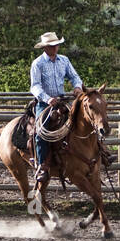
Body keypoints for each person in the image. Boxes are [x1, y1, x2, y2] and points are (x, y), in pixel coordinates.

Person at [29, 31, 83, 184]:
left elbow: (74, 76)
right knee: (41, 131)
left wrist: (77, 87)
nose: (55, 48)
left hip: (62, 100)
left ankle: (97, 153)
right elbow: (35, 86)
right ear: (45, 48)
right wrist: (47, 98)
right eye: (52, 45)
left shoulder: (64, 60)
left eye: (56, 45)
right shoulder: (37, 63)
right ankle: (42, 165)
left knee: (83, 120)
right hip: (44, 103)